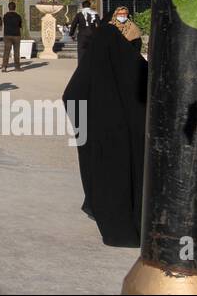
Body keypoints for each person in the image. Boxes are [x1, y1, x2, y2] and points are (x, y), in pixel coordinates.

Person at [61, 16, 148, 247]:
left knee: (106, 181)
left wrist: (84, 133)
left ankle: (115, 231)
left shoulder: (89, 69)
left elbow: (71, 97)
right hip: (132, 139)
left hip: (100, 141)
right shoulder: (137, 67)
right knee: (135, 179)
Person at [1, 1, 24, 72]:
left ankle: (4, 67)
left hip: (7, 35)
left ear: (8, 7)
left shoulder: (5, 16)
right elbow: (20, 26)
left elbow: (4, 23)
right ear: (15, 7)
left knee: (6, 51)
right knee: (16, 52)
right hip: (16, 35)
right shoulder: (18, 16)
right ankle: (17, 67)